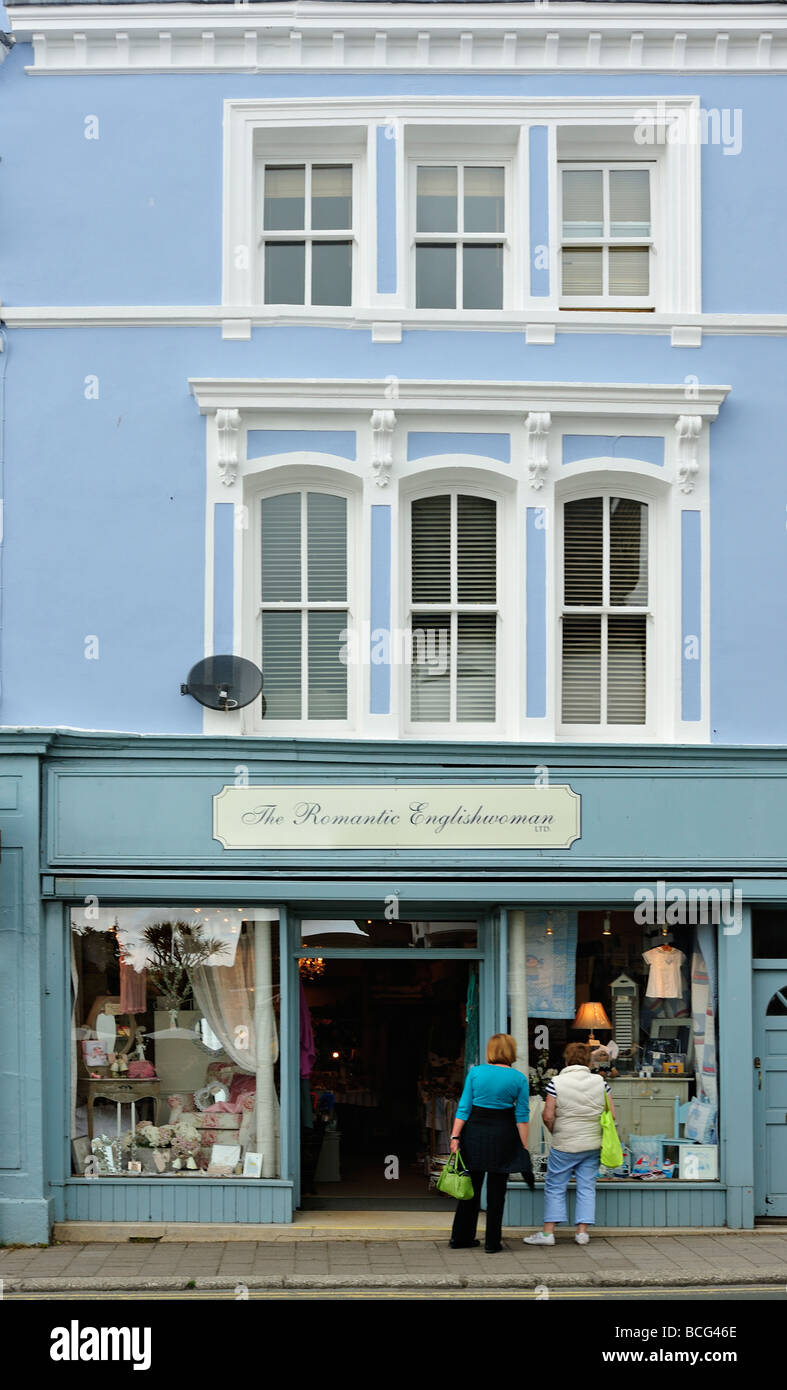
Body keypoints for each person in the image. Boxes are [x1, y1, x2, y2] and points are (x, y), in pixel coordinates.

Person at [523, 1041, 615, 1247]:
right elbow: (612, 1115)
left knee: (555, 1186)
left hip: (564, 1143)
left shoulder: (556, 1082)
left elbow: (547, 1115)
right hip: (592, 1143)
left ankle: (548, 1234)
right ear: (587, 1061)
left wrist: (555, 1131)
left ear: (567, 1059)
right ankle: (582, 1233)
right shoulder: (601, 1083)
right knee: (587, 1187)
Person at [448, 1033, 532, 1254]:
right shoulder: (519, 1078)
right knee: (497, 1191)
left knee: (469, 1188)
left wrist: (455, 1137)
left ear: (491, 1051)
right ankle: (492, 1243)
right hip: (503, 1135)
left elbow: (464, 1107)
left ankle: (461, 1238)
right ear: (511, 1051)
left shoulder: (475, 1073)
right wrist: (523, 1147)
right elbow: (522, 1116)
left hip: (474, 1133)